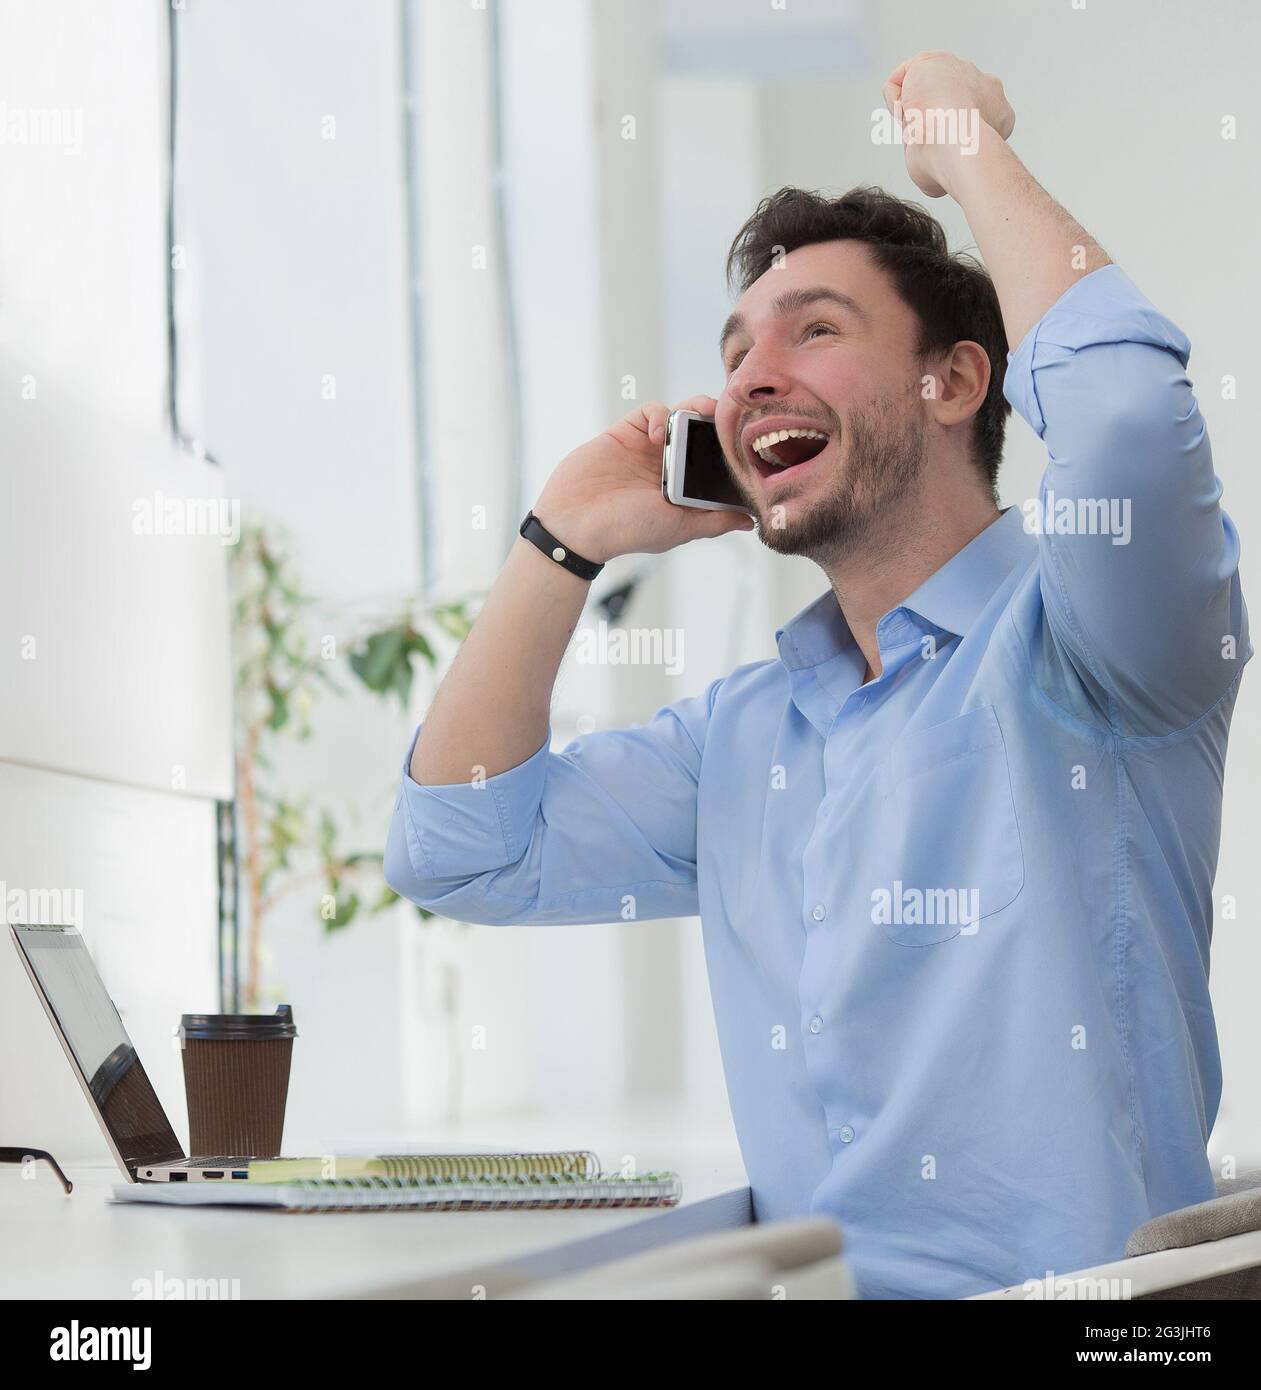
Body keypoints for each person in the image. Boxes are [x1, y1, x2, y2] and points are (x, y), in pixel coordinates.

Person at [384, 51, 1250, 1298]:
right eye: (735, 353)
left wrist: (962, 141)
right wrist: (559, 540)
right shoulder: (740, 735)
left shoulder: (1102, 648)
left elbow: (1119, 418)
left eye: (817, 331)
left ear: (953, 380)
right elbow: (456, 844)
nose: (749, 377)